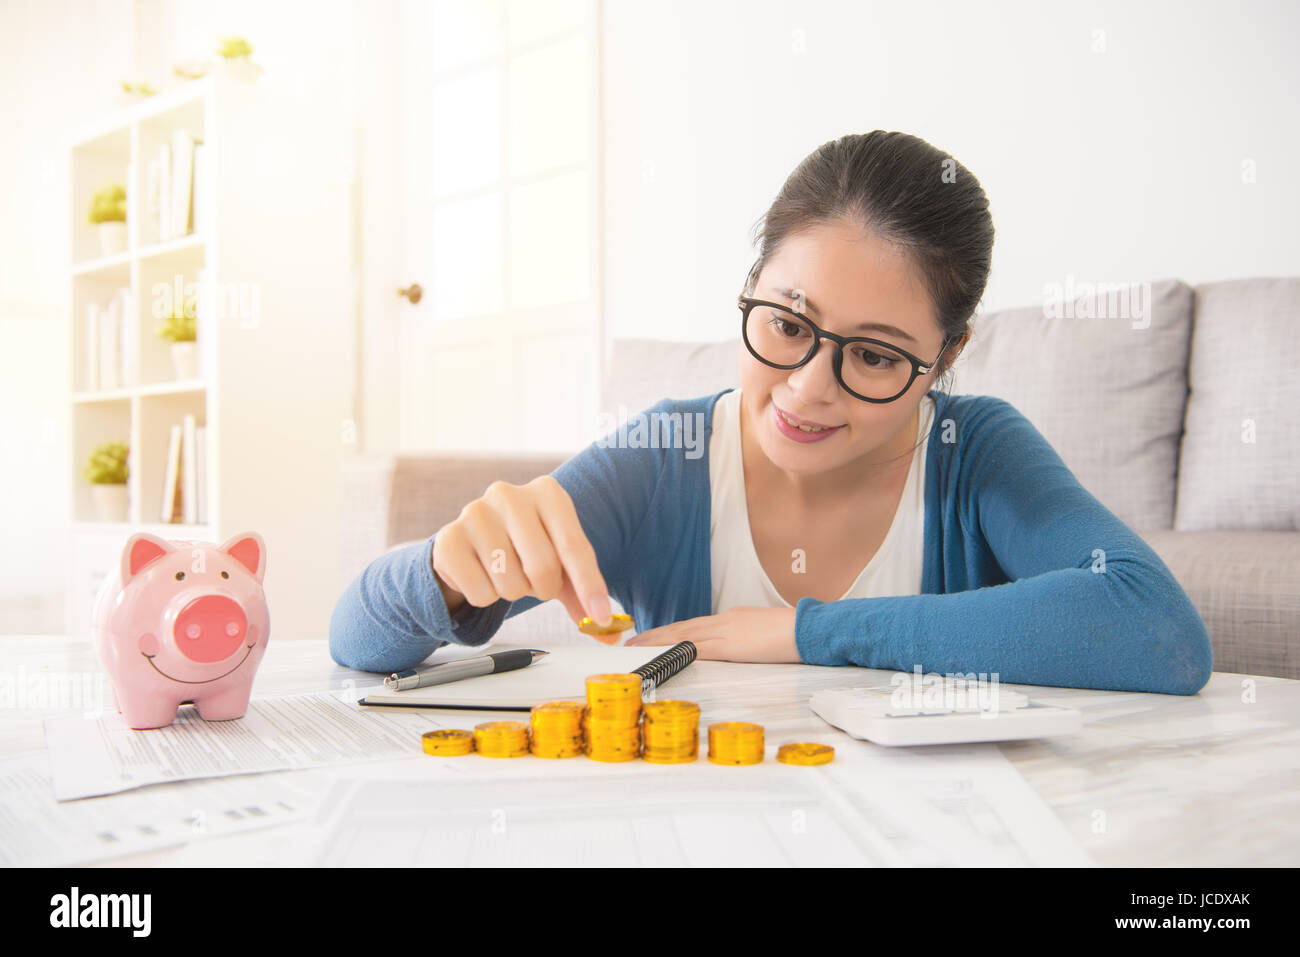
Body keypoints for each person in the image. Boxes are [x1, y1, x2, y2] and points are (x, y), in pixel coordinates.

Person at [330, 131, 1212, 695]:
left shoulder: (973, 449)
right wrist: (448, 573)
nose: (808, 387)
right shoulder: (669, 454)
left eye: (873, 354)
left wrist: (803, 631)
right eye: (788, 324)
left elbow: (1157, 630)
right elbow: (355, 637)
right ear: (751, 290)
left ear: (945, 357)